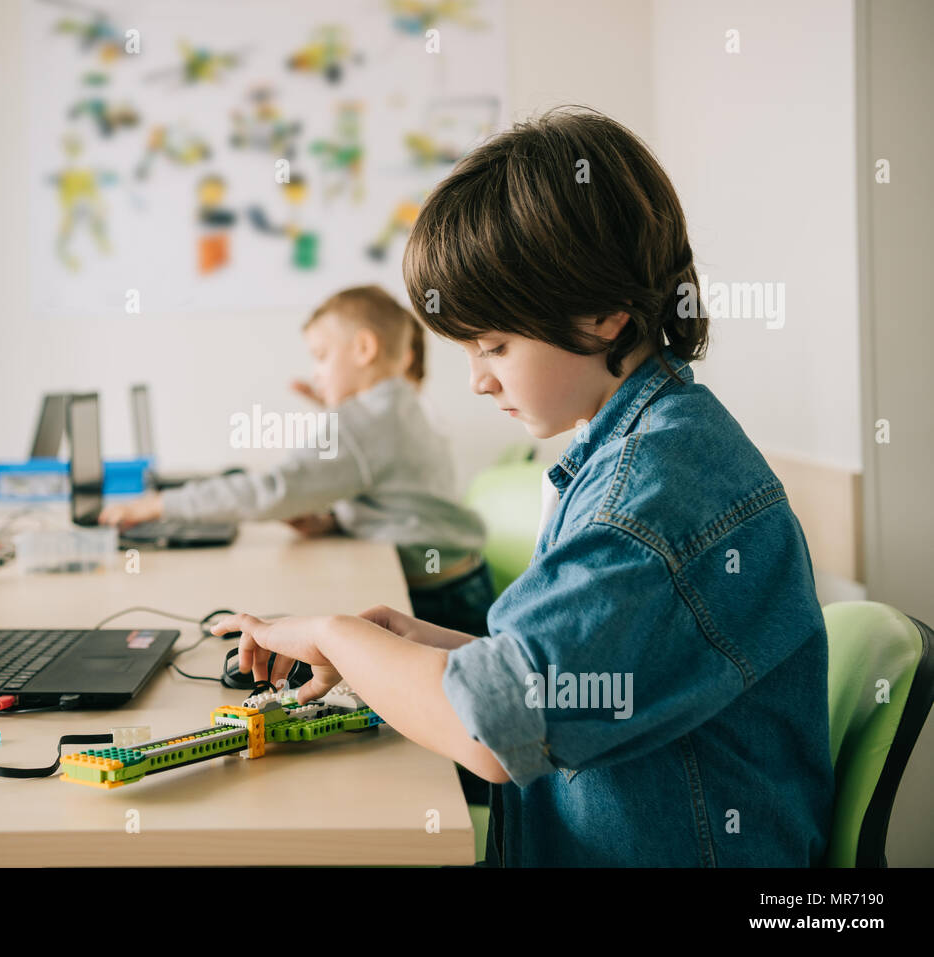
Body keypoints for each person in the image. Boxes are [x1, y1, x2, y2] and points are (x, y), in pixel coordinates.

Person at [210, 107, 834, 867]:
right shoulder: (639, 442)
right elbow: (597, 677)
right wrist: (426, 651)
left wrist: (337, 636)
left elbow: (493, 729)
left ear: (605, 313)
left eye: (495, 345)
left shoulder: (650, 502)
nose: (476, 379)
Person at [100, 284, 494, 636]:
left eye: (321, 356)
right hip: (462, 581)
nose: (316, 372)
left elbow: (273, 491)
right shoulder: (407, 405)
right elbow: (402, 497)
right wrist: (331, 520)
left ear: (363, 349)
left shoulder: (362, 423)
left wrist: (158, 504)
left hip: (434, 604)